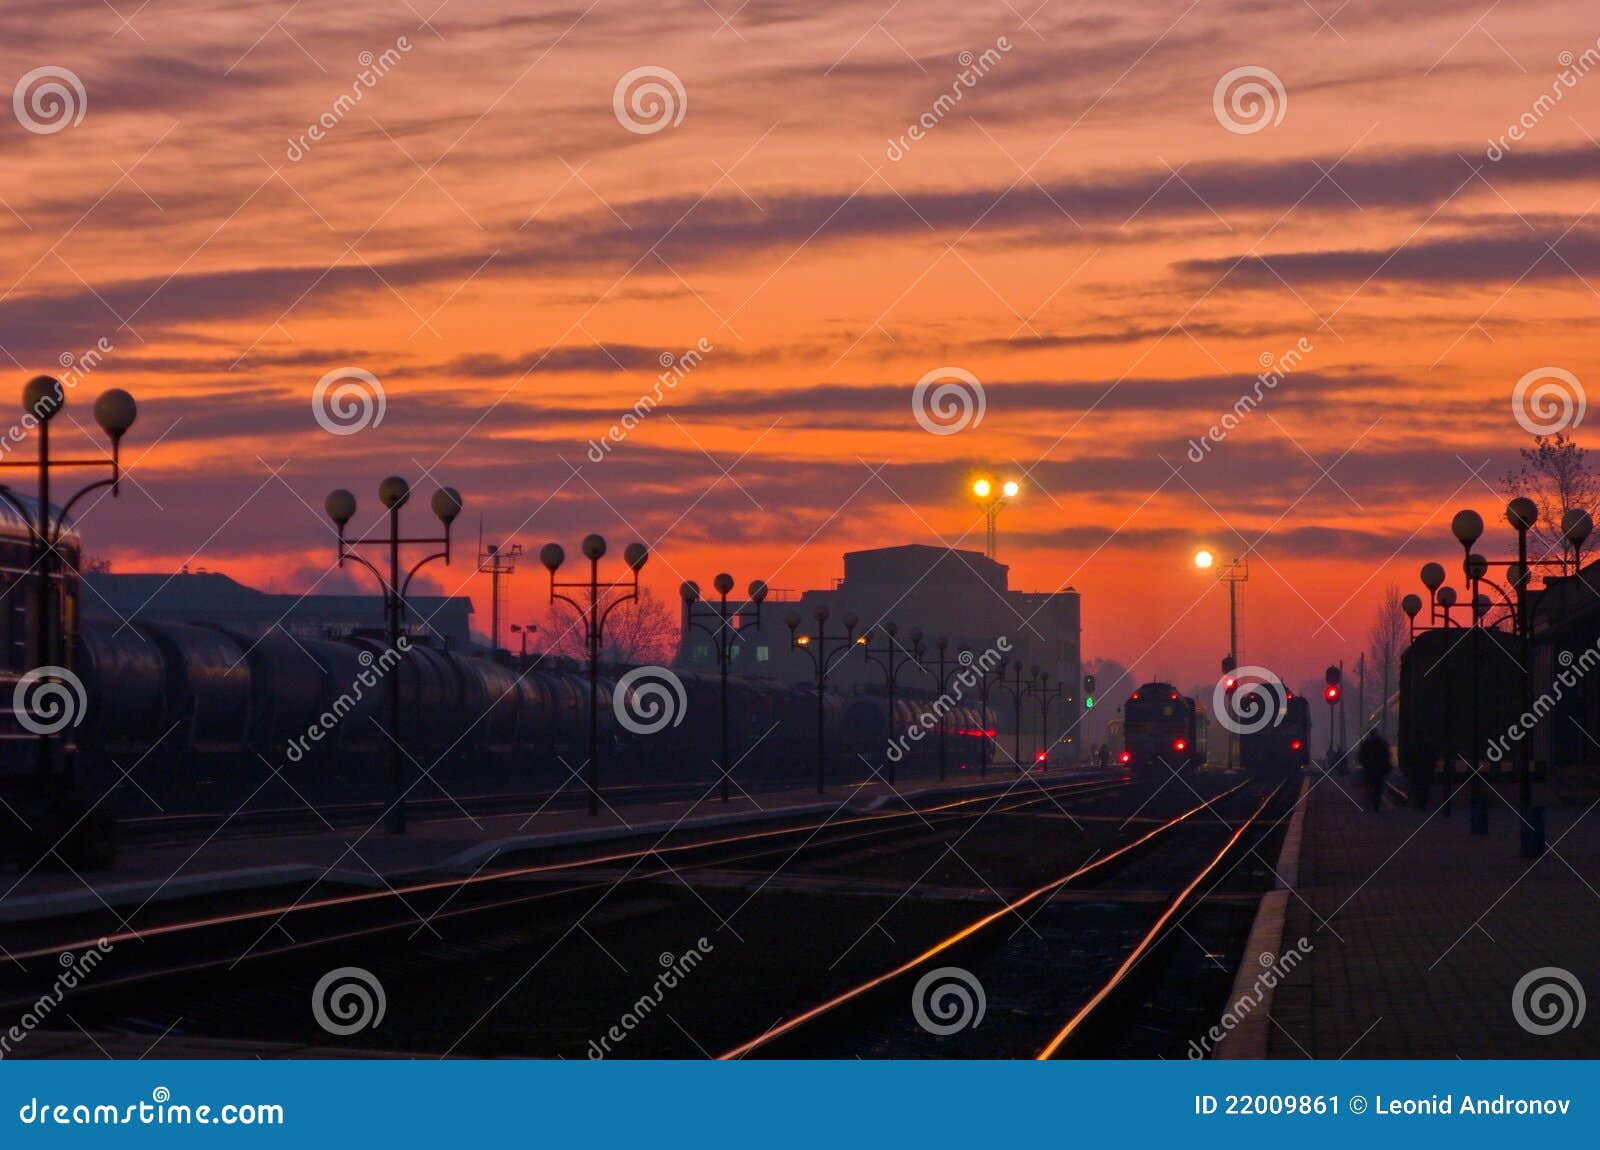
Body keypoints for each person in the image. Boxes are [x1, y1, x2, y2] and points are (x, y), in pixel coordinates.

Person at [1358, 731, 1391, 812]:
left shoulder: (1366, 744)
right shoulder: (1382, 744)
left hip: (1369, 769)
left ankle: (1370, 802)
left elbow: (1361, 756)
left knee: (1369, 786)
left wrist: (1364, 764)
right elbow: (1387, 755)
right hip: (1379, 769)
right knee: (1378, 787)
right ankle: (1376, 803)